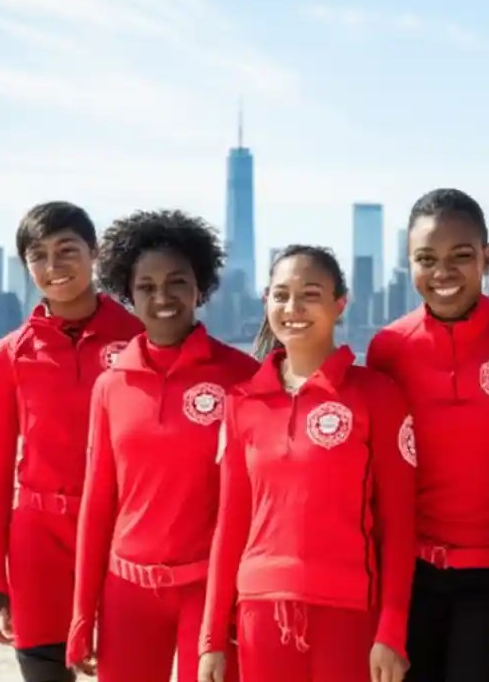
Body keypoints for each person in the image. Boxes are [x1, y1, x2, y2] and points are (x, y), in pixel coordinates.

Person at [196, 245, 416, 682]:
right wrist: (212, 639)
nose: (293, 308)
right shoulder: (242, 402)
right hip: (260, 611)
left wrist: (391, 630)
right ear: (266, 301)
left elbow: (399, 523)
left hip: (349, 613)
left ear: (340, 304)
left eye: (310, 294)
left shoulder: (378, 395)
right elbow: (231, 523)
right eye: (281, 295)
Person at [366, 189, 489, 682]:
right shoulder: (388, 350)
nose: (443, 273)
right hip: (412, 578)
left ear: (487, 258)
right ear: (408, 263)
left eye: (461, 256)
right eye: (426, 259)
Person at [65, 210, 258, 680]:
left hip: (211, 592)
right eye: (146, 286)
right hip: (126, 590)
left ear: (201, 286)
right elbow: (98, 501)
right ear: (128, 293)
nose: (163, 297)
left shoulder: (242, 377)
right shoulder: (111, 385)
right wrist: (81, 612)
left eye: (177, 282)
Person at [0, 201, 143, 682]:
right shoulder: (10, 356)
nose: (54, 267)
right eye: (38, 256)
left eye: (67, 250)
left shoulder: (140, 339)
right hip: (38, 542)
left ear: (94, 252)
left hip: (121, 539)